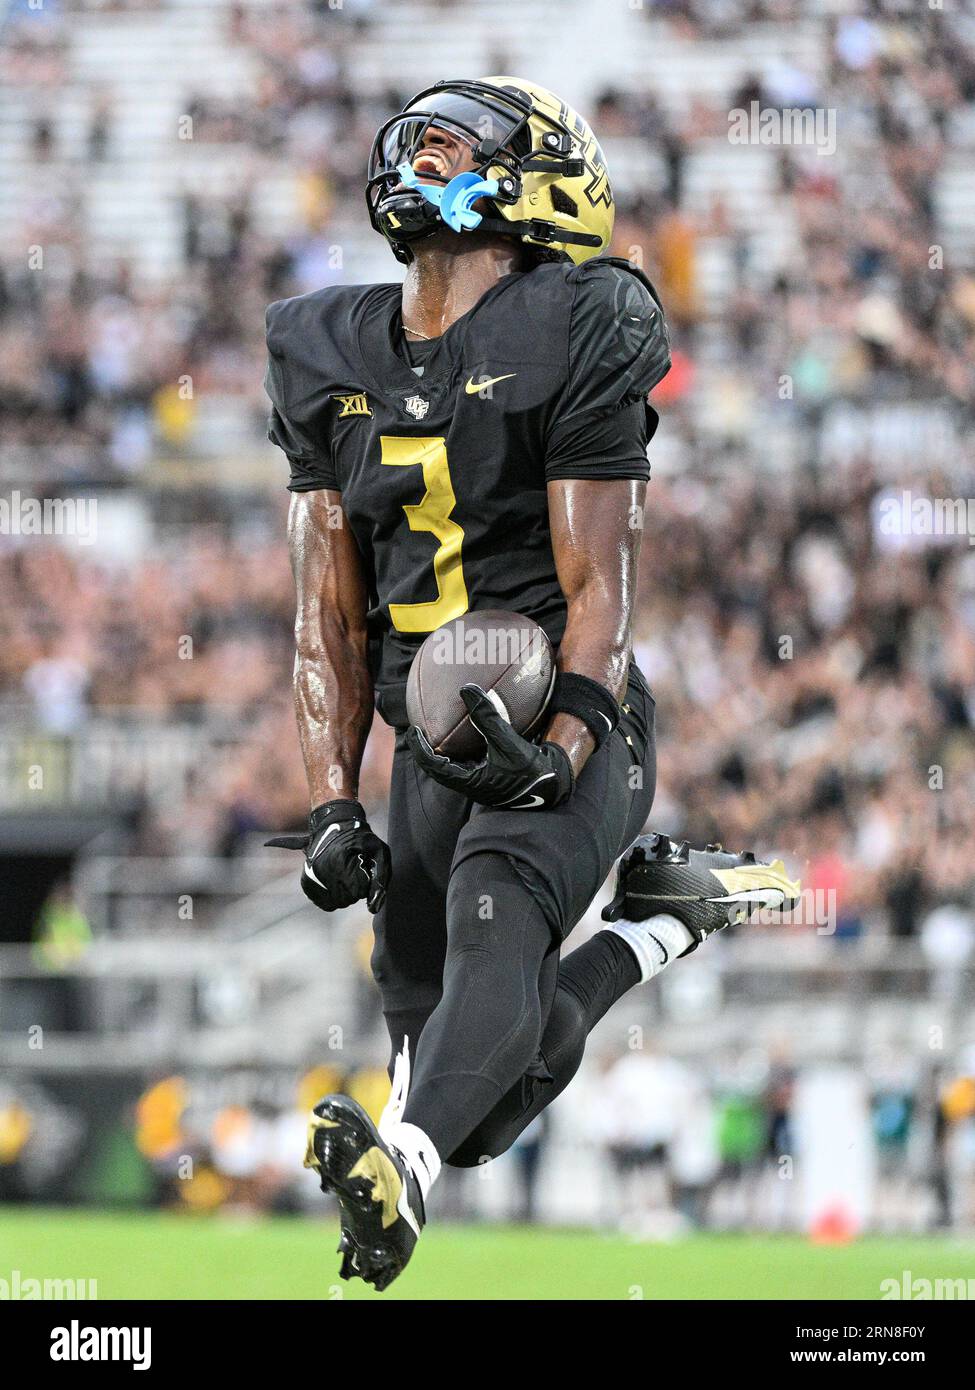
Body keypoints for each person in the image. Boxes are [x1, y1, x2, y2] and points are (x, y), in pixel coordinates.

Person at [265, 77, 798, 1290]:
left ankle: (397, 1159)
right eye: (420, 131)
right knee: (481, 1106)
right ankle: (667, 922)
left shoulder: (578, 319)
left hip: (567, 711)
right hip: (426, 742)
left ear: (542, 182)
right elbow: (325, 616)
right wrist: (334, 797)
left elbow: (601, 585)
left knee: (489, 959)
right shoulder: (319, 346)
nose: (424, 147)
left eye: (461, 138)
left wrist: (564, 738)